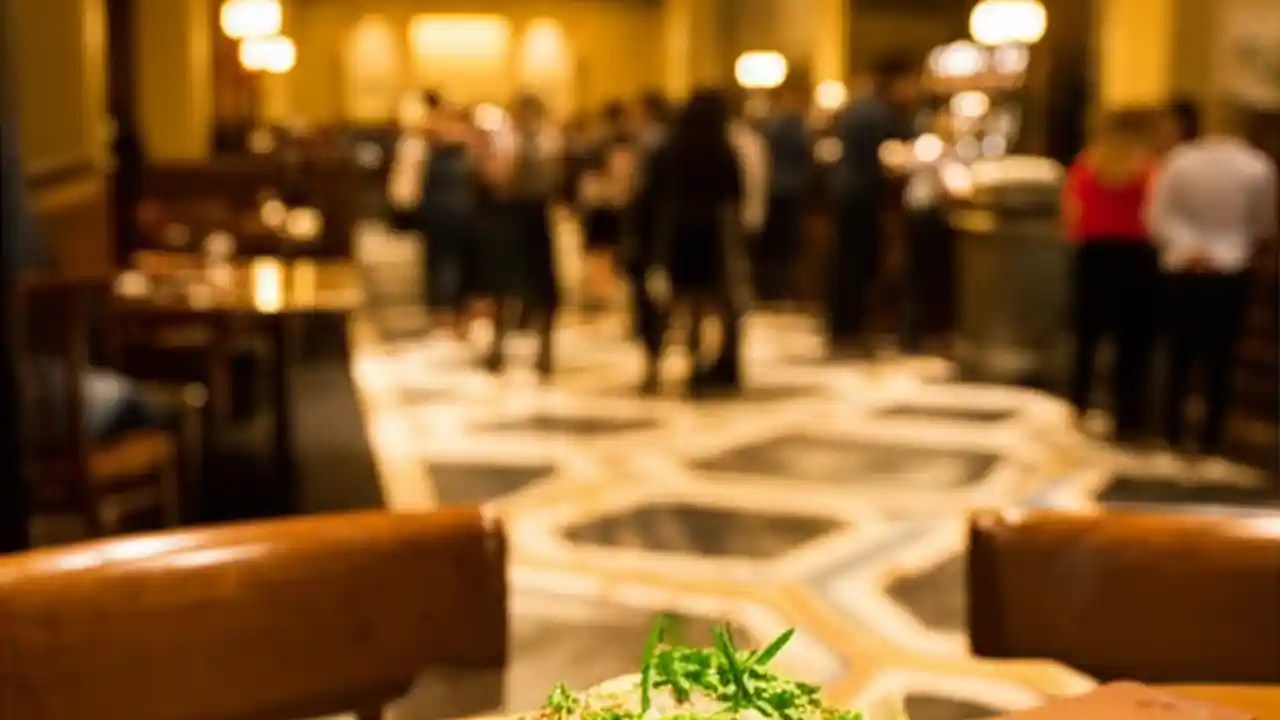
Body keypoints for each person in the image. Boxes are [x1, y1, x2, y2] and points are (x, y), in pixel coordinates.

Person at [1147, 107, 1277, 456]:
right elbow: (1263, 222)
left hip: (1183, 265)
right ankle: (1211, 436)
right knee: (1220, 359)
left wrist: (1185, 247)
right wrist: (1234, 248)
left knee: (1179, 355)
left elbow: (1158, 213)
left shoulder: (1179, 161)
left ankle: (1171, 431)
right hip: (1231, 265)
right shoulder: (1256, 166)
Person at [1061, 110, 1160, 440]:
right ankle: (1127, 414)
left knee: (1088, 336)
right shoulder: (1147, 170)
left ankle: (1079, 404)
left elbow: (1070, 214)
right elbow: (1156, 214)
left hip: (1094, 253)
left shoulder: (1087, 166)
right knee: (1132, 340)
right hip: (1135, 256)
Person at [645, 89, 745, 395]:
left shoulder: (669, 147)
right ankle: (699, 359)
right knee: (709, 302)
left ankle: (657, 363)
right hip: (712, 232)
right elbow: (735, 193)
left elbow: (653, 192)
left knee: (677, 301)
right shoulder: (722, 148)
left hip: (675, 231)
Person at [826, 53, 919, 354]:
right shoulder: (879, 113)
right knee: (859, 264)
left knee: (846, 263)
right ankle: (852, 330)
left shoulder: (857, 107)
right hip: (864, 195)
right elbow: (887, 159)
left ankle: (844, 329)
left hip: (847, 192)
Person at [481, 93, 562, 378]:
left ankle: (508, 348)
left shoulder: (515, 141)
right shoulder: (548, 142)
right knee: (529, 289)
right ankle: (535, 351)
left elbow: (498, 180)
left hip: (519, 219)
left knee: (514, 287)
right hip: (533, 219)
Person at [625, 91, 673, 392]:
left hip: (651, 237)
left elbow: (637, 196)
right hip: (666, 236)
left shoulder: (650, 147)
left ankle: (654, 360)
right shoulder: (670, 145)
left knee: (650, 303)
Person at [578, 101, 636, 313]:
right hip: (604, 209)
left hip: (607, 209)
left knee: (604, 256)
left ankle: (603, 299)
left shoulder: (600, 144)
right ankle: (600, 299)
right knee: (602, 256)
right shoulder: (603, 146)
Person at [758, 81, 813, 303]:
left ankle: (769, 288)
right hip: (790, 188)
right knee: (787, 243)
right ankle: (783, 288)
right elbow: (805, 150)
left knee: (771, 242)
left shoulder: (768, 124)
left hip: (771, 187)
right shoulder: (792, 124)